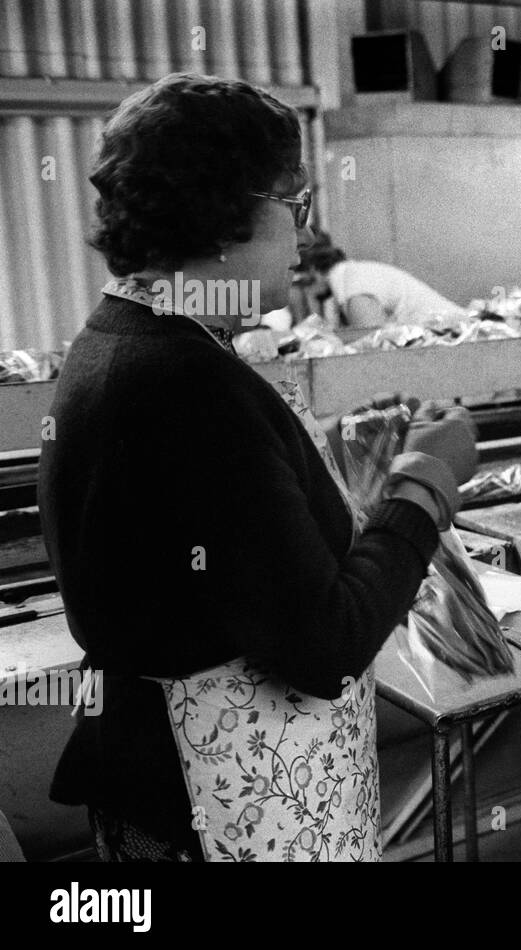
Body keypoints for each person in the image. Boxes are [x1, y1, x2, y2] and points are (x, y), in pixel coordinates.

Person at [38, 73, 478, 861]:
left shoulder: (117, 340)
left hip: (154, 783)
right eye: (295, 205)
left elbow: (216, 535)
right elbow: (324, 644)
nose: (306, 237)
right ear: (222, 213)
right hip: (216, 810)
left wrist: (320, 456)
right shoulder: (191, 384)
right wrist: (427, 485)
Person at [294, 231, 473, 329]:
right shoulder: (353, 274)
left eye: (302, 284)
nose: (307, 292)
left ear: (313, 271)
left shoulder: (353, 287)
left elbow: (372, 349)